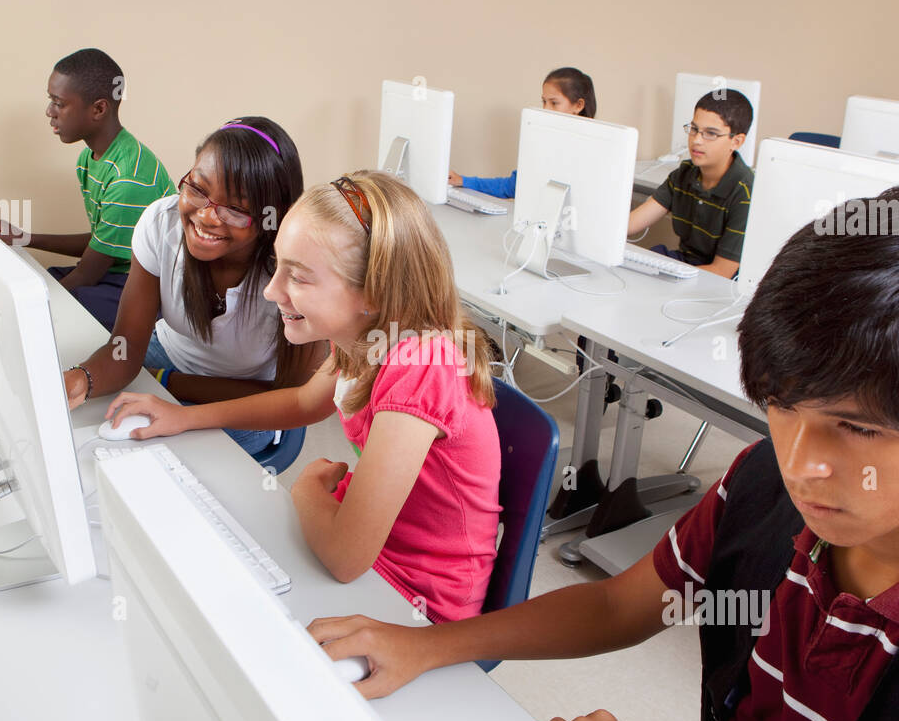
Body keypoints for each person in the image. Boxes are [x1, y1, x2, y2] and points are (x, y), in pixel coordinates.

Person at [309, 185, 899, 721]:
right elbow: (618, 603)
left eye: (857, 428)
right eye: (781, 406)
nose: (802, 461)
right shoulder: (762, 485)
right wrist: (425, 644)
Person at [105, 171, 503, 623]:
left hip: (415, 602)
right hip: (363, 553)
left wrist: (307, 492)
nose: (272, 291)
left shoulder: (421, 366)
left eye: (299, 278)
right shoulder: (364, 335)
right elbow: (300, 403)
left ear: (371, 292)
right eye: (278, 267)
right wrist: (183, 418)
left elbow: (344, 557)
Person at [64, 117, 323, 459]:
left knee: (164, 463)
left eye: (235, 209)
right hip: (167, 353)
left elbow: (295, 396)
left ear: (271, 218)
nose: (207, 217)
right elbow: (124, 348)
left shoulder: (293, 272)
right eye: (198, 189)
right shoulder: (162, 223)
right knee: (88, 434)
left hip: (247, 398)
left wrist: (167, 382)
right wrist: (82, 378)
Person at [0, 48, 175, 330]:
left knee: (60, 303)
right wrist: (24, 237)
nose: (49, 112)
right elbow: (102, 246)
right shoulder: (89, 160)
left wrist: (30, 310)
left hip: (151, 289)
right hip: (117, 274)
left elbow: (90, 271)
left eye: (59, 103)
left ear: (99, 109)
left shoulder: (127, 178)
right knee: (45, 279)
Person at [627, 88, 754, 279]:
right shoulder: (684, 175)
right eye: (694, 129)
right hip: (685, 266)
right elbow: (631, 224)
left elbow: (722, 272)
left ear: (736, 141)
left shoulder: (744, 193)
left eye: (710, 134)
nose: (696, 140)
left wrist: (666, 273)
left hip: (723, 285)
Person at [447, 67, 597, 198]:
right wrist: (464, 181)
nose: (546, 109)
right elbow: (513, 187)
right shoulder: (542, 143)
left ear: (578, 105)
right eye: (544, 102)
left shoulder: (594, 150)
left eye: (554, 103)